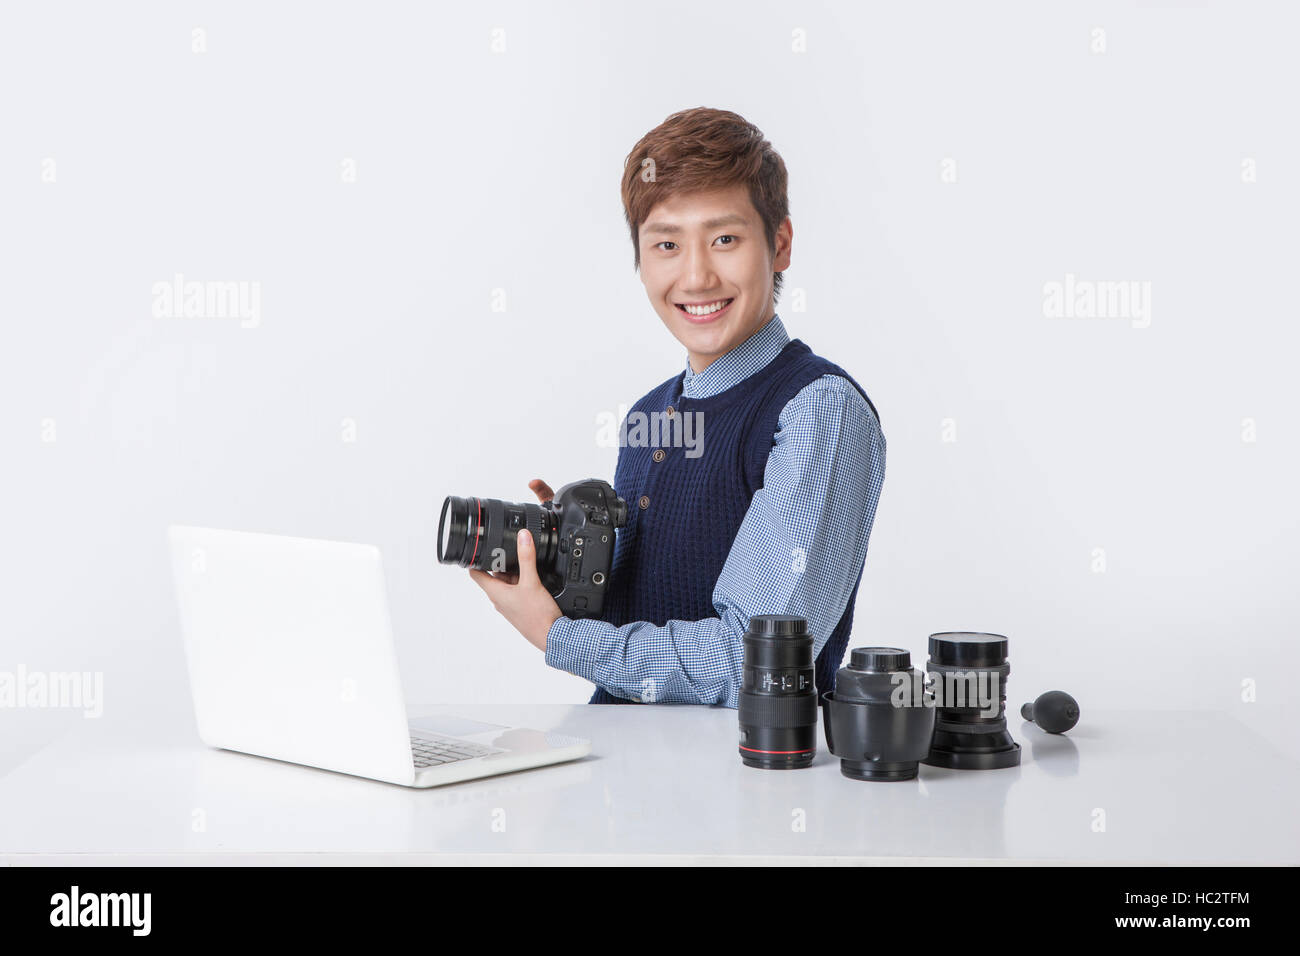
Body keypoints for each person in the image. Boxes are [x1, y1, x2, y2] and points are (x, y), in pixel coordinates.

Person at [470, 107, 886, 707]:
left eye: (724, 239)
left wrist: (555, 634)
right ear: (639, 258)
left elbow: (754, 658)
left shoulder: (817, 409)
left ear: (781, 244)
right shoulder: (647, 415)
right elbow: (651, 612)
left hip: (746, 788)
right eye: (666, 243)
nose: (695, 276)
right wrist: (571, 571)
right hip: (617, 780)